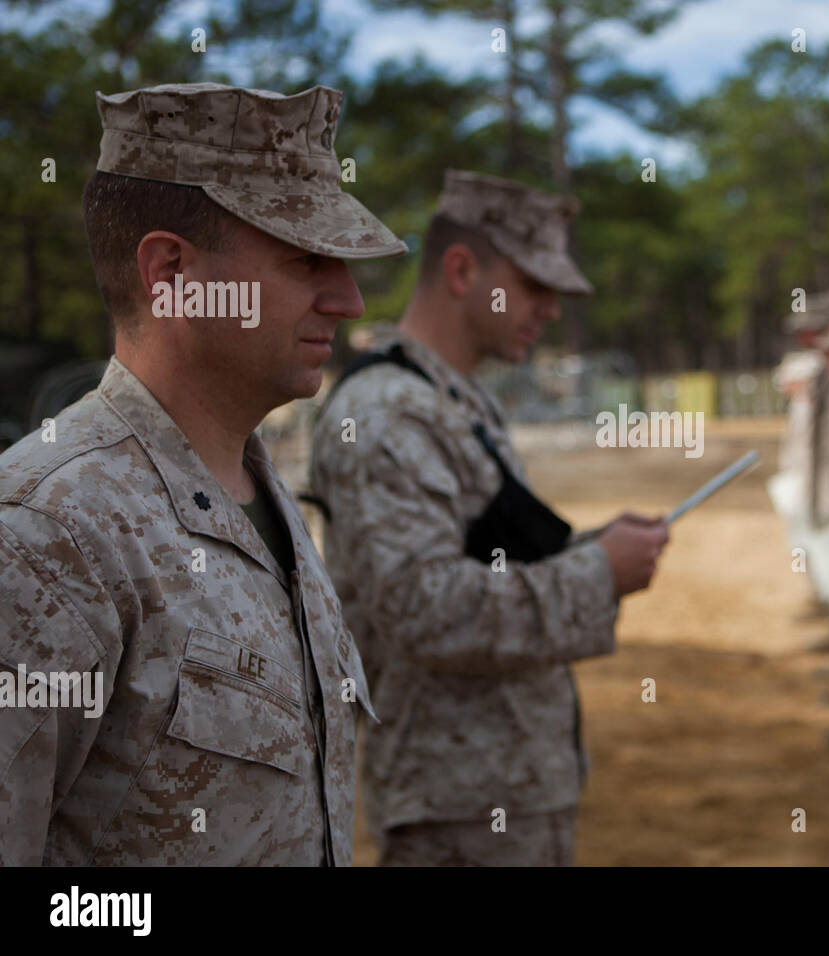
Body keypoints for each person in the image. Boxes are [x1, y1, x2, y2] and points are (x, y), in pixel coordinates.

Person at [0, 82, 401, 865]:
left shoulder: (260, 494)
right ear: (173, 271)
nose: (348, 300)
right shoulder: (44, 537)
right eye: (307, 259)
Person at [309, 170, 668, 866]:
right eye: (535, 287)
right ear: (462, 269)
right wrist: (598, 573)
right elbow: (425, 608)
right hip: (456, 805)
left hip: (497, 786)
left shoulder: (451, 398)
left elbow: (481, 563)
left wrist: (595, 549)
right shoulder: (386, 413)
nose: (552, 310)